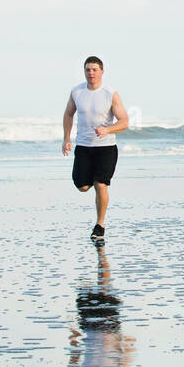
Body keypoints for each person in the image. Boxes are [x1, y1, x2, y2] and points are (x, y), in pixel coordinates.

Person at [62, 56, 129, 242]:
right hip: (83, 147)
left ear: (101, 71)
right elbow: (68, 114)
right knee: (82, 186)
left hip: (105, 147)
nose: (91, 73)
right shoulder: (77, 92)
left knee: (101, 184)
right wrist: (66, 138)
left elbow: (124, 122)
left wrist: (107, 129)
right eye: (87, 70)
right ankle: (94, 181)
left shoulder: (110, 93)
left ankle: (100, 225)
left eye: (94, 69)